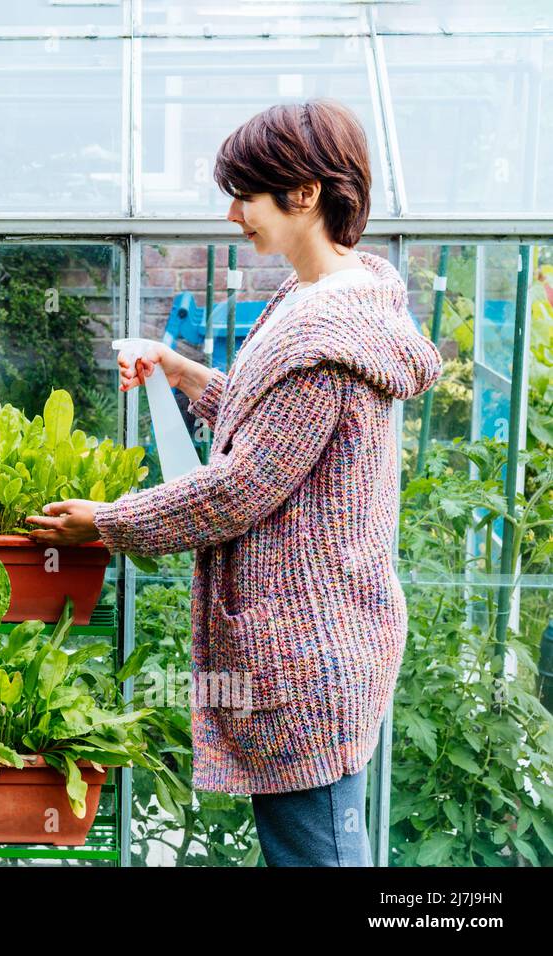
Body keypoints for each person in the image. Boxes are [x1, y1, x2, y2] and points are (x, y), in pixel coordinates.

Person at [26, 99, 443, 867]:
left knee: (319, 856)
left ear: (306, 193)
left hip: (310, 654)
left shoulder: (328, 334)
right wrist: (185, 373)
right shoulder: (320, 296)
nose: (233, 215)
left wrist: (109, 522)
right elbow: (275, 424)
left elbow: (242, 486)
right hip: (309, 643)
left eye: (246, 194)